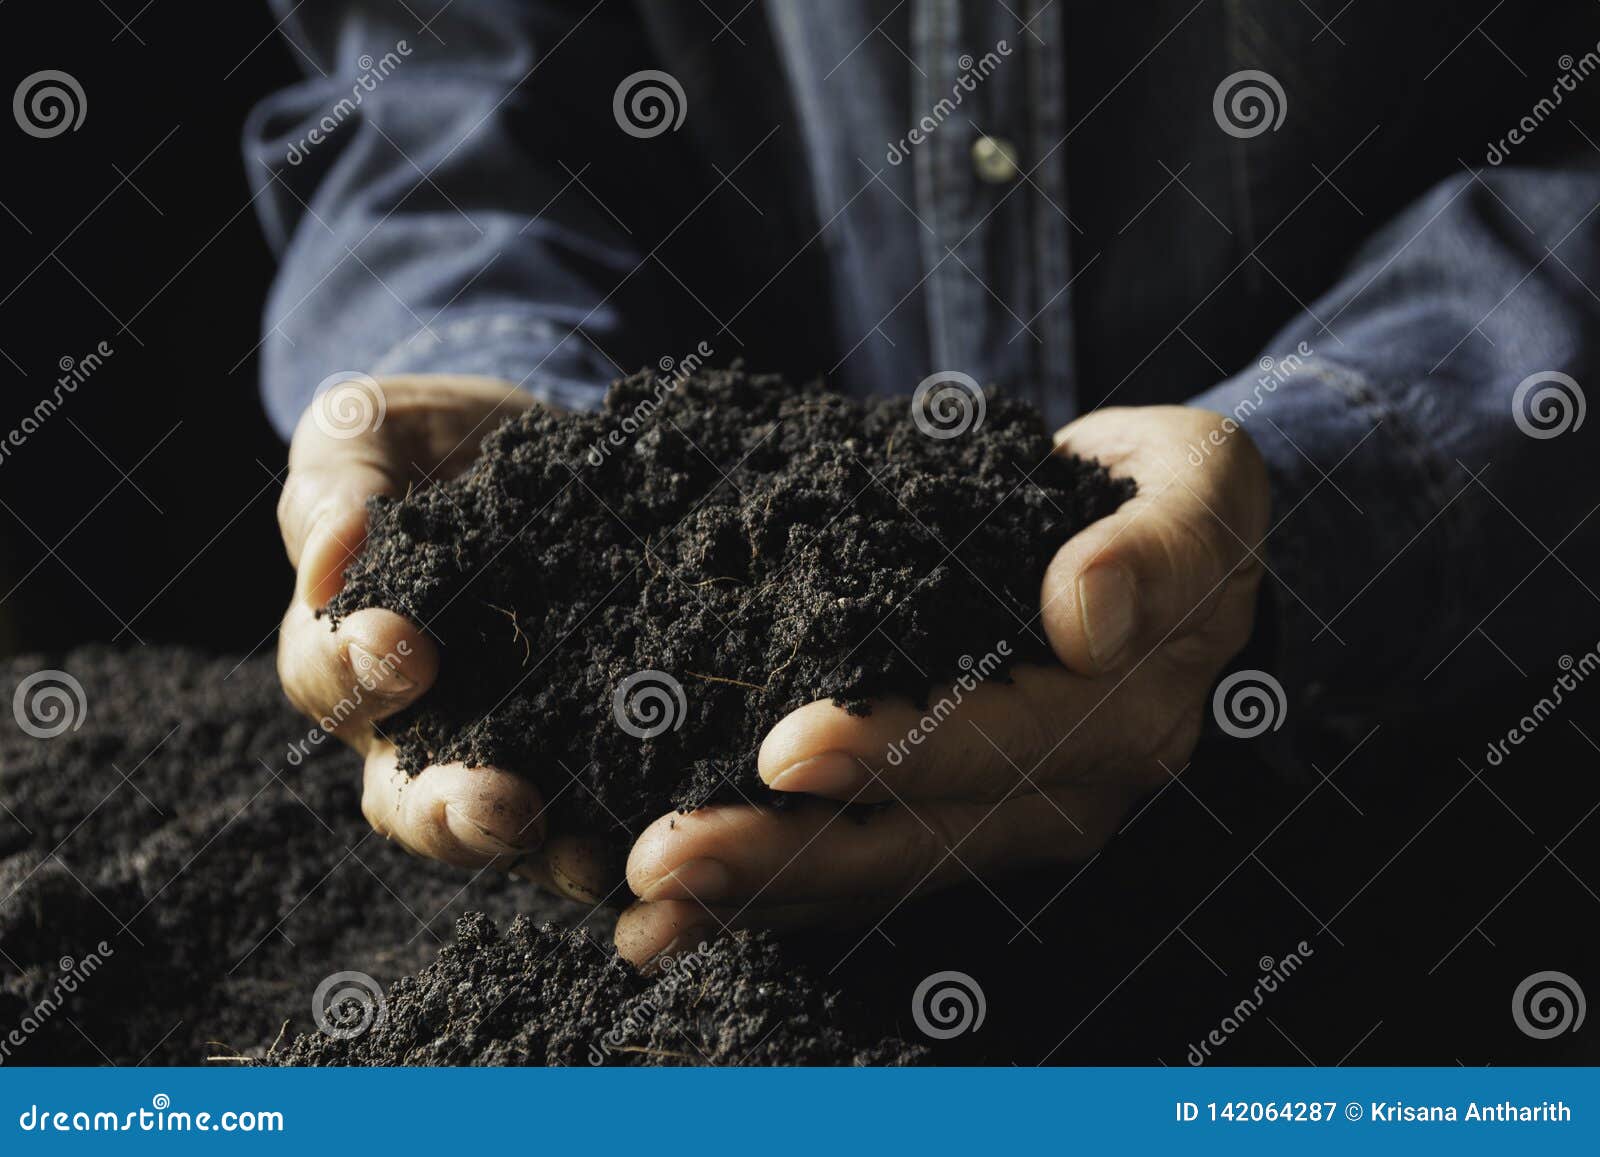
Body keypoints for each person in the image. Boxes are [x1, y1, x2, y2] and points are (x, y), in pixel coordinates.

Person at [249, 1, 1600, 965]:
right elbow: (431, 102)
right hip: (700, 948)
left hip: (1455, 809)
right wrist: (484, 387)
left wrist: (1339, 461)